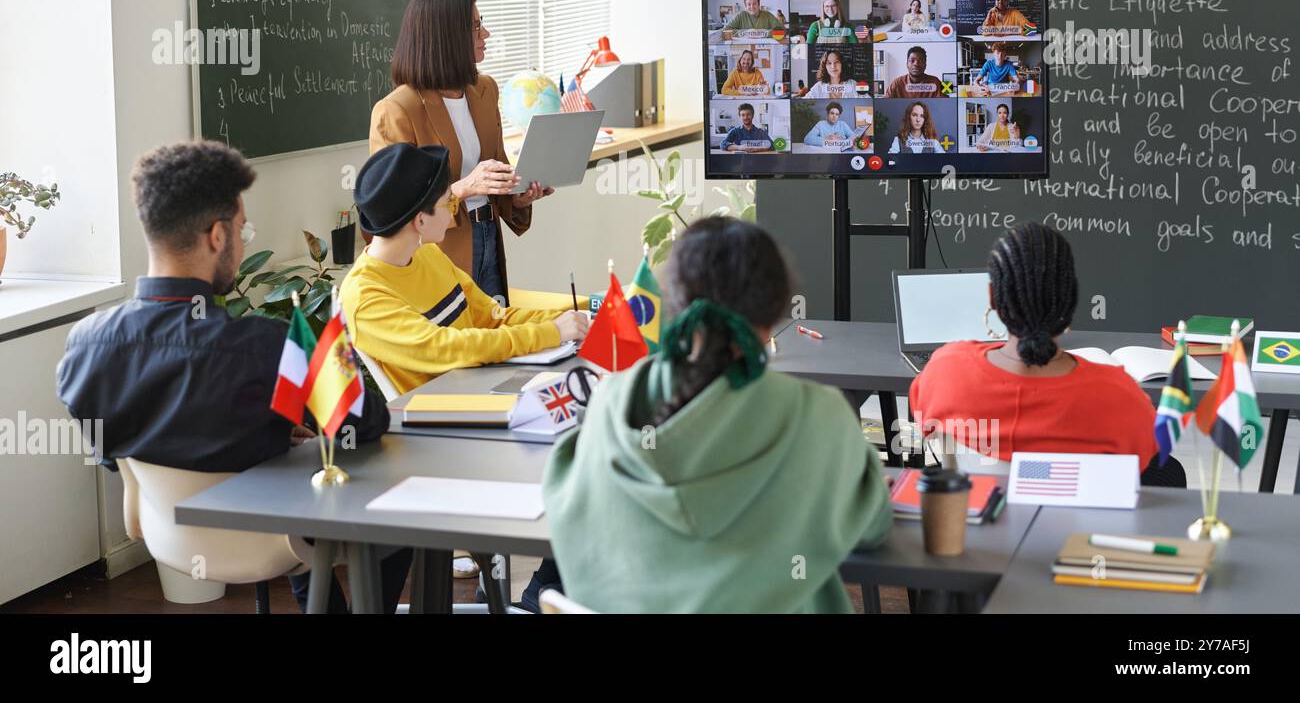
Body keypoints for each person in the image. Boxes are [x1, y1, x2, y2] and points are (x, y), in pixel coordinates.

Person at [56, 141, 406, 614]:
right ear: (217, 236)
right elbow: (368, 421)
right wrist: (284, 426)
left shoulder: (84, 345)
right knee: (396, 519)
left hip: (168, 536)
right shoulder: (270, 343)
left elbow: (116, 453)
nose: (243, 244)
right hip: (272, 540)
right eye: (241, 230)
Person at [543, 218, 893, 612]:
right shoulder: (821, 414)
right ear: (775, 311)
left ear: (673, 304)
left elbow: (565, 510)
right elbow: (871, 525)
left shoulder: (608, 402)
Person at [909, 222, 1178, 483]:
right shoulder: (1120, 395)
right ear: (1070, 298)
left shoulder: (944, 369)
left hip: (979, 521)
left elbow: (927, 426)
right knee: (1169, 470)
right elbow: (1145, 453)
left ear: (993, 297)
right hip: (1077, 527)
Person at [340, 143, 589, 396]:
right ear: (421, 220)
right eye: (448, 203)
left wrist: (572, 322)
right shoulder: (365, 297)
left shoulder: (426, 253)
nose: (452, 215)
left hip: (486, 383)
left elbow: (492, 318)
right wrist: (550, 333)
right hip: (445, 415)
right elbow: (452, 347)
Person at [370, 0, 550, 304]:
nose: (487, 34)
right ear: (446, 36)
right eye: (476, 26)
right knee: (459, 347)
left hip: (488, 238)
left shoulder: (485, 90)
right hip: (437, 255)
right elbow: (394, 212)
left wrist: (518, 196)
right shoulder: (397, 110)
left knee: (496, 342)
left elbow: (496, 170)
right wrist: (464, 187)